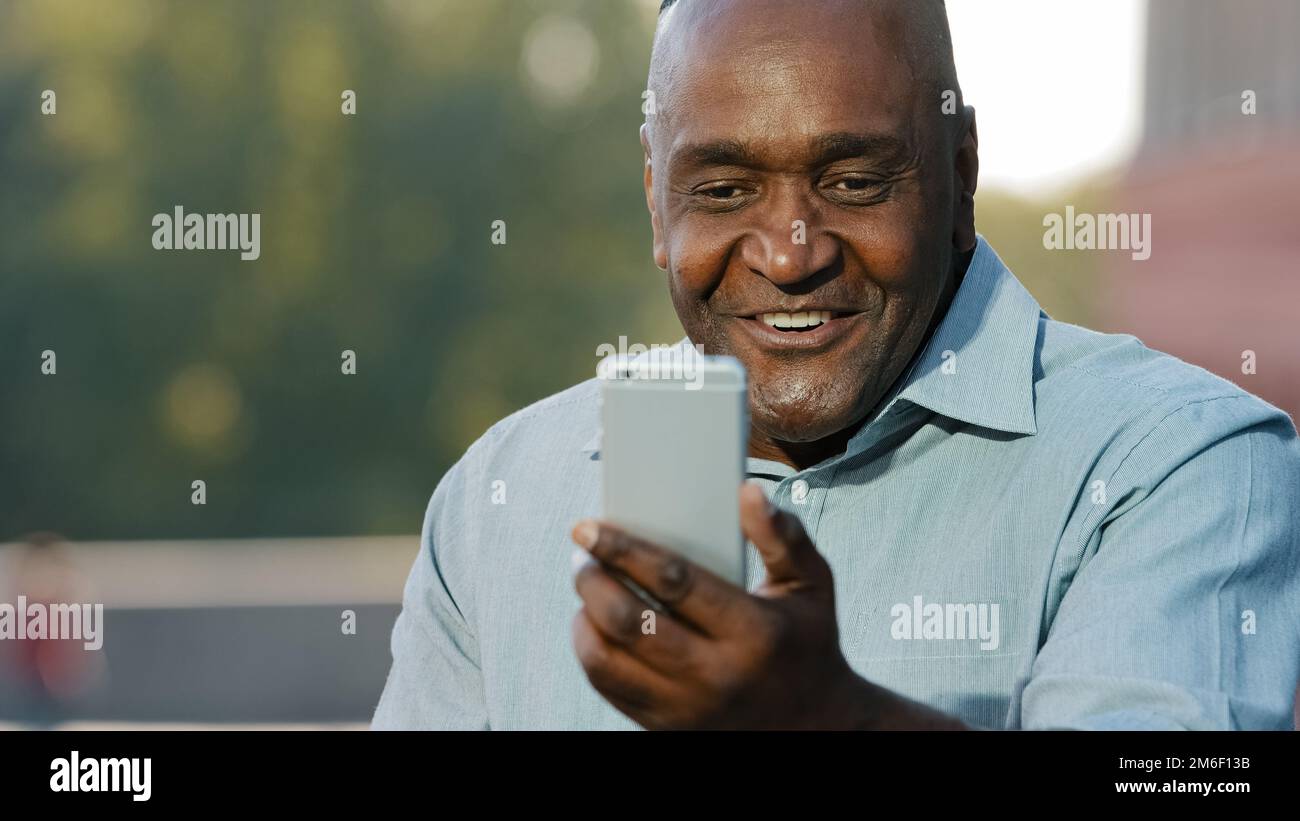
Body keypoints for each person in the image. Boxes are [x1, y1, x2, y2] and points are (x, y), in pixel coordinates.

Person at [372, 0, 1300, 730]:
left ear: (960, 173)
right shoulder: (497, 498)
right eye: (724, 189)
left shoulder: (1180, 463)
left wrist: (831, 721)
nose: (789, 254)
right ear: (657, 202)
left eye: (854, 182)